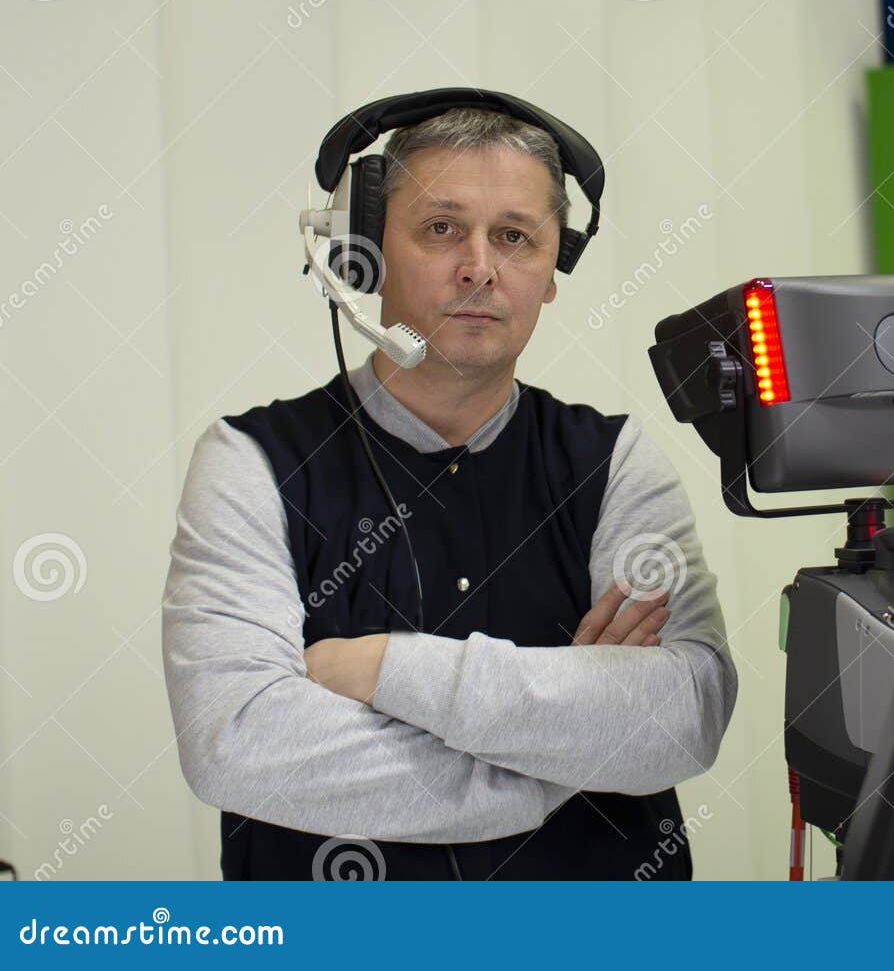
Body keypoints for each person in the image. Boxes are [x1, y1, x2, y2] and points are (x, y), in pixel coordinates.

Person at [160, 104, 737, 880]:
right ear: (365, 256)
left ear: (551, 271)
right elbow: (237, 739)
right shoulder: (250, 463)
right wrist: (563, 746)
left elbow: (682, 719)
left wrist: (383, 668)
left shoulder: (617, 462)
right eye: (440, 229)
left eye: (514, 236)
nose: (480, 267)